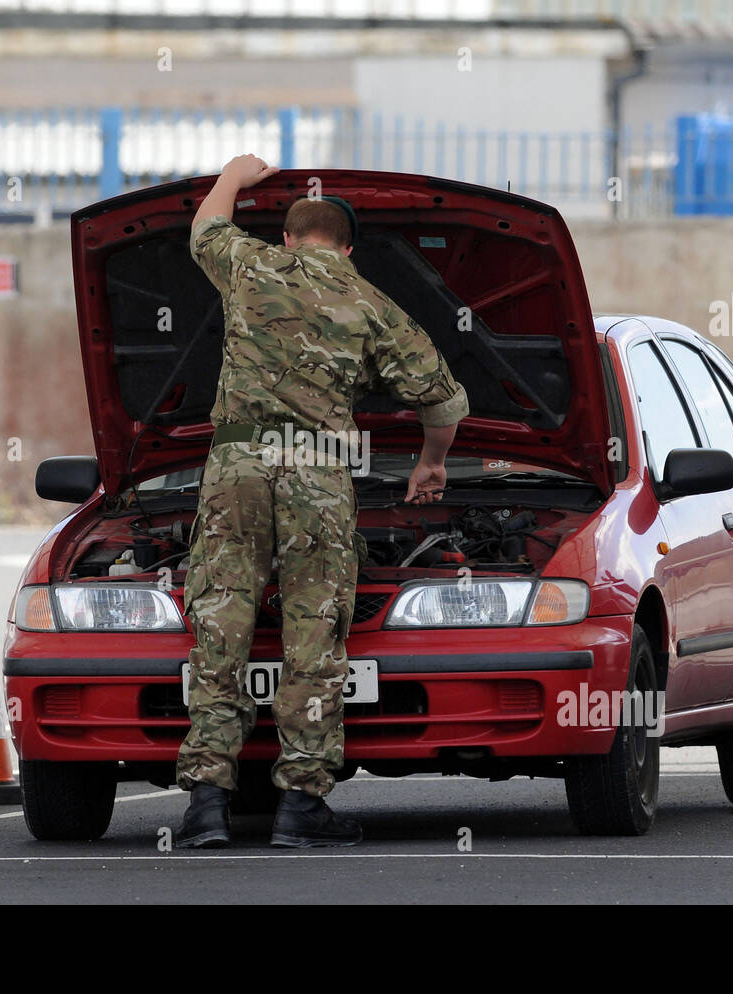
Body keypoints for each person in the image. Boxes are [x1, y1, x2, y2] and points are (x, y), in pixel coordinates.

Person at [173, 154, 469, 848]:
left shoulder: (251, 266)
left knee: (221, 627)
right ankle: (300, 809)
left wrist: (234, 177)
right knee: (315, 634)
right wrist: (430, 464)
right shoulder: (368, 302)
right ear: (347, 248)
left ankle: (206, 807)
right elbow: (444, 397)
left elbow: (203, 230)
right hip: (318, 472)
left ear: (287, 239)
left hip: (238, 464)